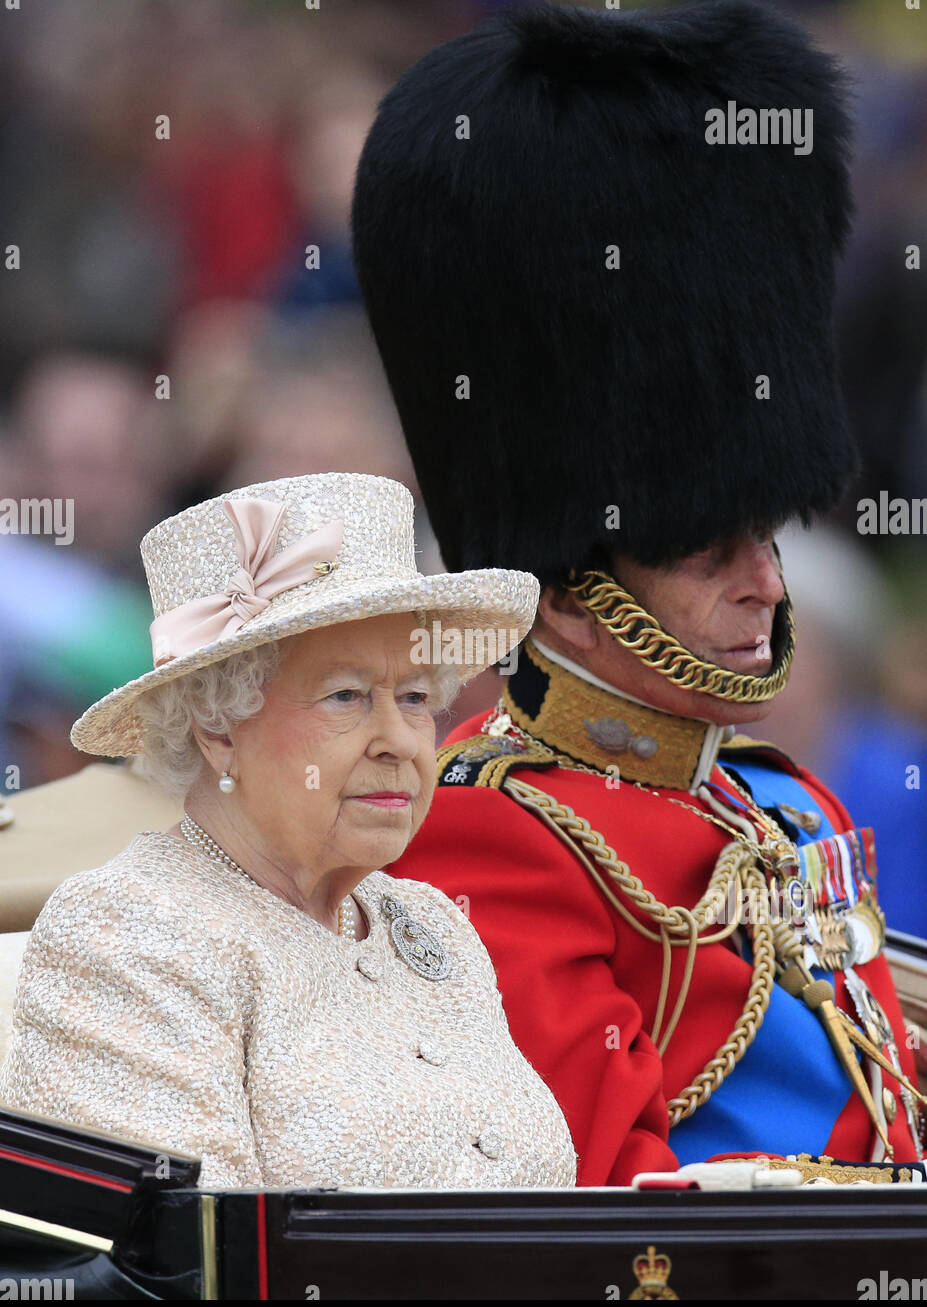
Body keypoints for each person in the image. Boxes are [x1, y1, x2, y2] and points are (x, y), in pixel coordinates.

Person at [351, 1, 926, 1182]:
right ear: (567, 590)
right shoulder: (488, 839)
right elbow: (619, 1228)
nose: (767, 580)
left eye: (761, 535)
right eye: (709, 551)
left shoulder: (779, 799)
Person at [0, 472, 576, 1191]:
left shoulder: (430, 924)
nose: (399, 738)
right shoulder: (129, 933)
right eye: (347, 696)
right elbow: (194, 1258)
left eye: (415, 698)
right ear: (216, 728)